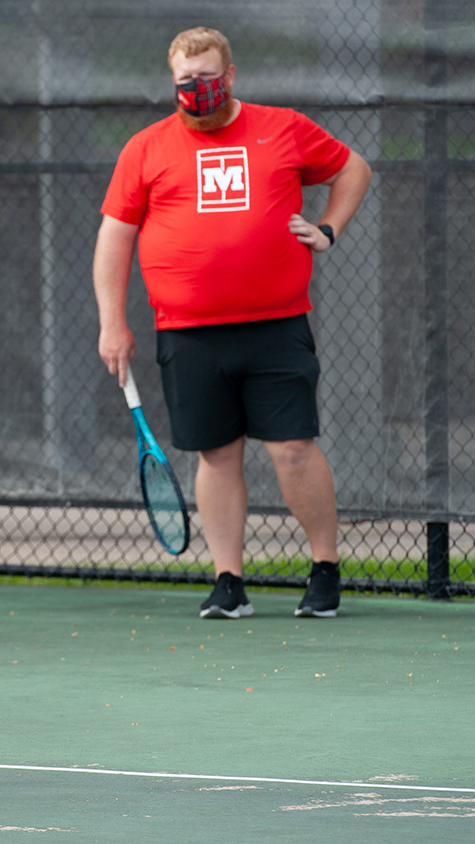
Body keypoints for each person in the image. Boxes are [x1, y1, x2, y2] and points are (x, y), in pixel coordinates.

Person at [93, 27, 372, 621]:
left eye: (208, 76)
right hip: (186, 332)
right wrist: (111, 322)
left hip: (276, 325)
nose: (197, 88)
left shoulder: (283, 128)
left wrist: (328, 229)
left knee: (293, 449)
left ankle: (325, 569)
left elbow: (353, 168)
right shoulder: (145, 147)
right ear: (172, 82)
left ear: (232, 75)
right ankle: (228, 582)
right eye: (185, 80)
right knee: (216, 455)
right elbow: (114, 238)